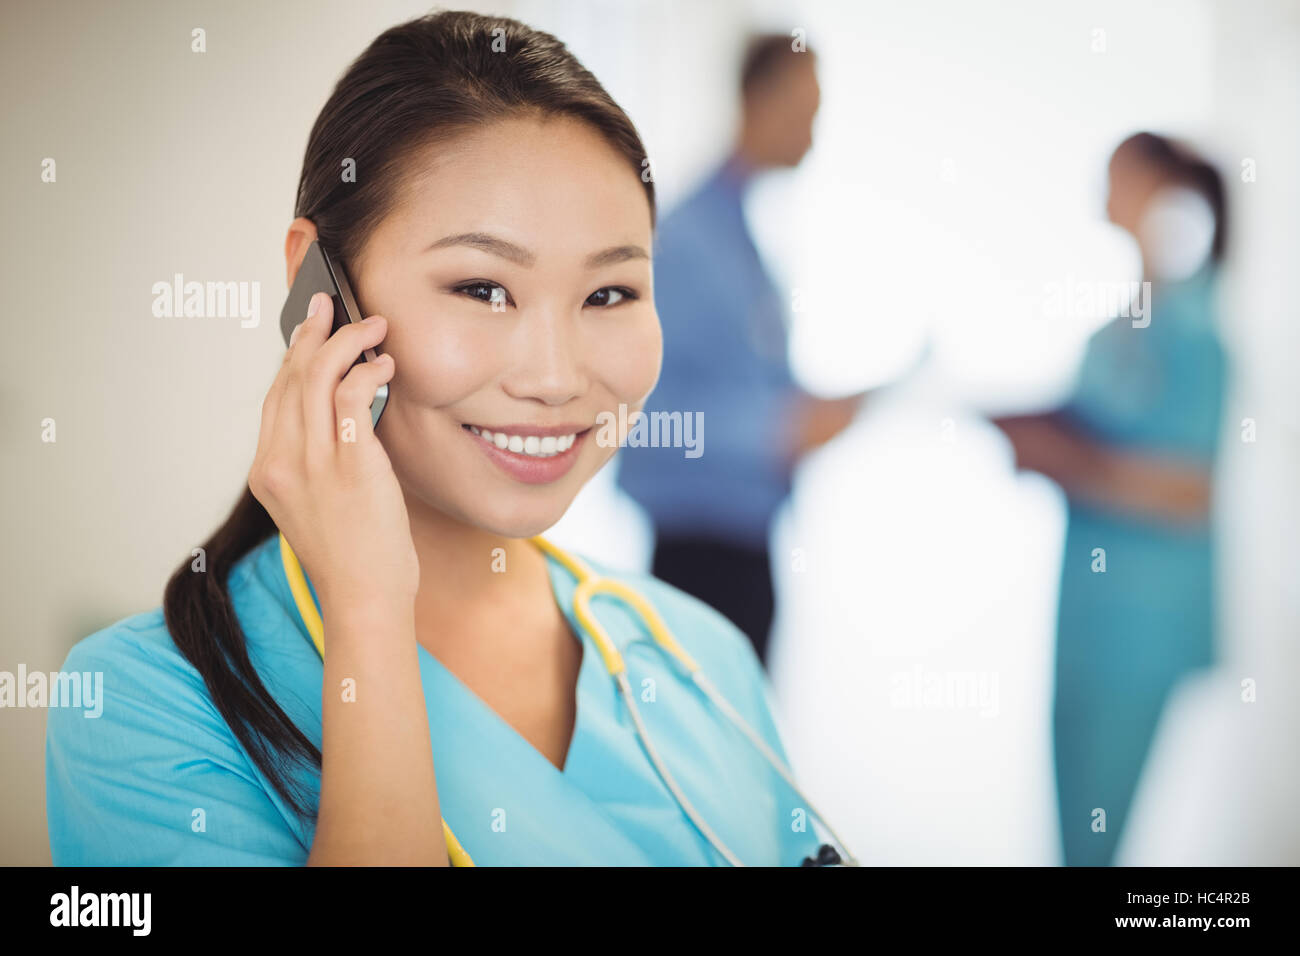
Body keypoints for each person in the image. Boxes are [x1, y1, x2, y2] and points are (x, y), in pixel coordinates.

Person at [44, 11, 835, 867]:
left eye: (609, 294)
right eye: (483, 288)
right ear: (318, 287)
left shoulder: (701, 658)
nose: (556, 377)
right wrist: (371, 613)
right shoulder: (141, 707)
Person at [993, 133, 1230, 866]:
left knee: (1099, 839)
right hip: (1087, 617)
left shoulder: (1192, 332)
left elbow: (1189, 490)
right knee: (1072, 835)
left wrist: (1070, 460)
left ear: (1160, 188)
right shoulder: (1117, 326)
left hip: (1141, 625)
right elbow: (1089, 430)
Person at [616, 34, 867, 669]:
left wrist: (812, 408)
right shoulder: (685, 240)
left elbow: (738, 379)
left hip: (747, 553)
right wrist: (778, 431)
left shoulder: (744, 239)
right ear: (760, 99)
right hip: (699, 562)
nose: (813, 134)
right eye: (806, 112)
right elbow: (641, 417)